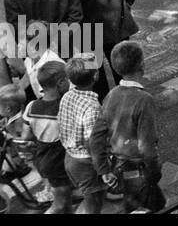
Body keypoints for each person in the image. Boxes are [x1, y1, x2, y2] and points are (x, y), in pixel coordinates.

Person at [89, 42, 164, 213]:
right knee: (149, 206)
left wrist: (104, 170)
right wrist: (155, 170)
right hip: (140, 170)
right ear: (142, 65)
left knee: (142, 204)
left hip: (119, 167)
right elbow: (147, 147)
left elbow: (95, 139)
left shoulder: (111, 94)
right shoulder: (144, 100)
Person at [21, 59, 71, 213]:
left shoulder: (31, 106)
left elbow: (26, 137)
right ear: (61, 83)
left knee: (65, 202)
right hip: (59, 163)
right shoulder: (65, 108)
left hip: (42, 159)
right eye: (68, 79)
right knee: (59, 204)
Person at [58, 56, 104, 214]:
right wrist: (103, 167)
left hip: (70, 157)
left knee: (91, 197)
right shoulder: (92, 107)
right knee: (93, 204)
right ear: (96, 76)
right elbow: (92, 142)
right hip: (85, 163)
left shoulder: (67, 96)